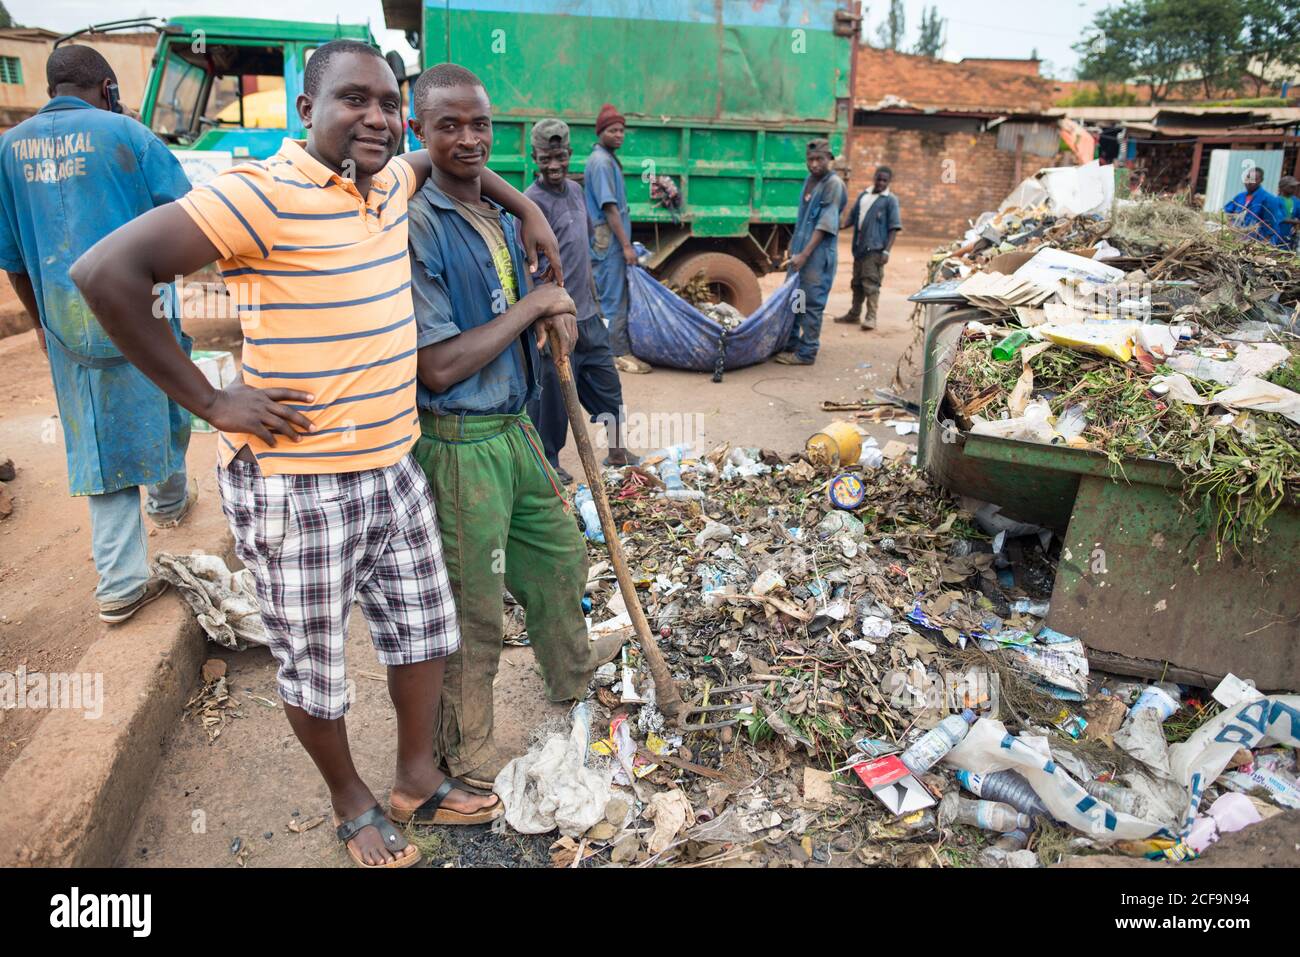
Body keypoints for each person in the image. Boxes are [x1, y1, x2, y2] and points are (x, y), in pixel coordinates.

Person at [71, 40, 565, 868]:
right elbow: (105, 272)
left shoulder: (389, 181)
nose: (376, 116)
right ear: (307, 110)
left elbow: (435, 155)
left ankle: (413, 778)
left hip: (393, 467)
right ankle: (351, 799)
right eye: (353, 100)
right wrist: (209, 398)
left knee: (423, 636)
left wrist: (529, 209)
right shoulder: (258, 194)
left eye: (388, 102)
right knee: (315, 663)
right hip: (297, 486)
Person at [405, 65, 627, 791]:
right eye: (449, 125)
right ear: (420, 132)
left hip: (513, 428)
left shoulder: (500, 213)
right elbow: (437, 365)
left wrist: (548, 311)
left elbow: (514, 303)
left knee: (561, 555)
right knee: (474, 612)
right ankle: (463, 757)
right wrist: (538, 307)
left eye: (480, 125)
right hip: (460, 444)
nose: (468, 140)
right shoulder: (416, 223)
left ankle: (570, 673)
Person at [0, 45, 196, 625]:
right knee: (171, 395)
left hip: (64, 316)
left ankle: (123, 575)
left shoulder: (8, 149)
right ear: (108, 88)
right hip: (143, 307)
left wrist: (39, 324)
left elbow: (12, 257)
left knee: (95, 437)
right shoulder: (129, 136)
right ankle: (156, 526)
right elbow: (190, 218)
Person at [525, 118, 640, 482]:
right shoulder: (529, 204)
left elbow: (585, 249)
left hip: (588, 315)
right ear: (534, 157)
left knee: (608, 383)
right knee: (555, 399)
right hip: (557, 319)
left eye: (560, 157)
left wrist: (595, 301)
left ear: (569, 154)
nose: (554, 166)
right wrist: (541, 316)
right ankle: (549, 462)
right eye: (546, 159)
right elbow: (525, 268)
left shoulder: (576, 192)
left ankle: (618, 451)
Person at [585, 102, 650, 374]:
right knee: (613, 298)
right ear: (601, 132)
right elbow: (609, 206)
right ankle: (617, 354)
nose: (619, 134)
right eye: (613, 130)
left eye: (622, 130)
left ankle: (610, 350)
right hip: (608, 240)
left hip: (609, 239)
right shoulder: (601, 162)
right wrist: (625, 246)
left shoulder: (607, 158)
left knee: (609, 296)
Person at [774, 139, 846, 365]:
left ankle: (807, 352)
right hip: (800, 252)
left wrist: (804, 254)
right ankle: (792, 343)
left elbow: (825, 225)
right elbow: (803, 220)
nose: (814, 164)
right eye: (810, 160)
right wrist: (793, 247)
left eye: (819, 159)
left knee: (812, 303)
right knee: (796, 298)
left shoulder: (832, 184)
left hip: (817, 256)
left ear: (829, 160)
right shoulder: (809, 181)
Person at [834, 165, 902, 331]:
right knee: (856, 283)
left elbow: (894, 228)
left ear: (889, 182)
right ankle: (854, 313)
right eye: (878, 179)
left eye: (884, 180)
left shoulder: (890, 200)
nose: (880, 183)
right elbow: (852, 217)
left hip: (876, 250)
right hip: (859, 248)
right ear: (874, 178)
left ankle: (871, 317)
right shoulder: (864, 195)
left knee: (871, 283)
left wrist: (886, 251)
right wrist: (837, 226)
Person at [1224, 166, 1285, 247]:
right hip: (1237, 240)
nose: (1249, 182)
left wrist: (1263, 243)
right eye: (1248, 178)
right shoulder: (1240, 197)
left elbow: (1273, 225)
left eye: (1254, 179)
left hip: (1256, 243)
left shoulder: (1268, 199)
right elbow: (1226, 212)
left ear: (1261, 180)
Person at [1276, 175, 1298, 251]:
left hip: (1290, 235)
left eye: (1295, 186)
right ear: (1283, 187)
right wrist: (1296, 221)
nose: (1295, 189)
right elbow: (1280, 218)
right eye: (1291, 187)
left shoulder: (1296, 201)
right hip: (1278, 234)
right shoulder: (1276, 201)